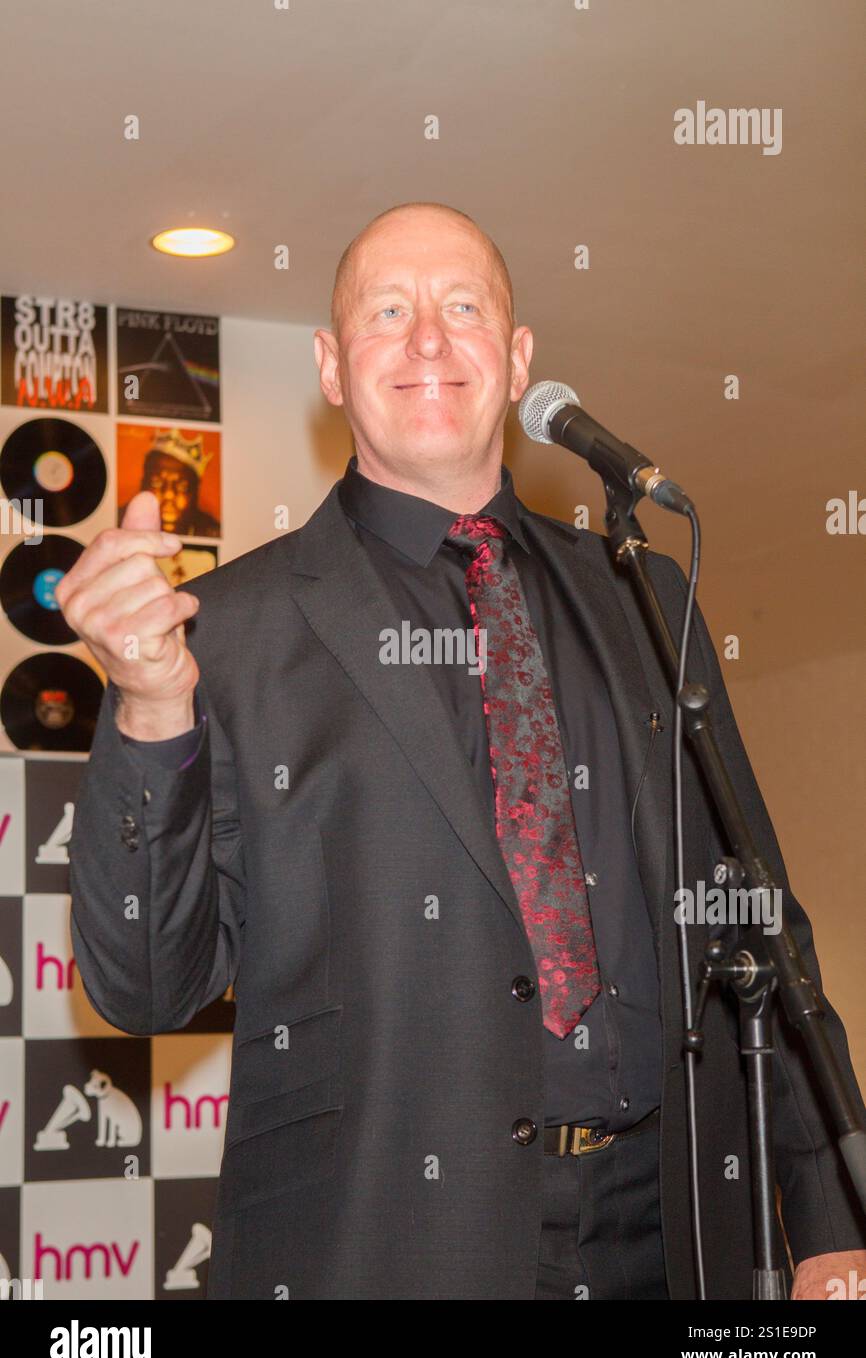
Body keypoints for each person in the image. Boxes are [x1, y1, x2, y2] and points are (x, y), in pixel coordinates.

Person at [57, 202, 866, 1300]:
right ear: (332, 367)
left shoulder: (640, 592)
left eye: (462, 307)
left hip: (676, 1233)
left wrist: (826, 1213)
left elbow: (755, 912)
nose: (427, 338)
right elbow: (146, 984)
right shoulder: (225, 629)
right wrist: (152, 709)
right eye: (387, 311)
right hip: (386, 1239)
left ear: (518, 357)